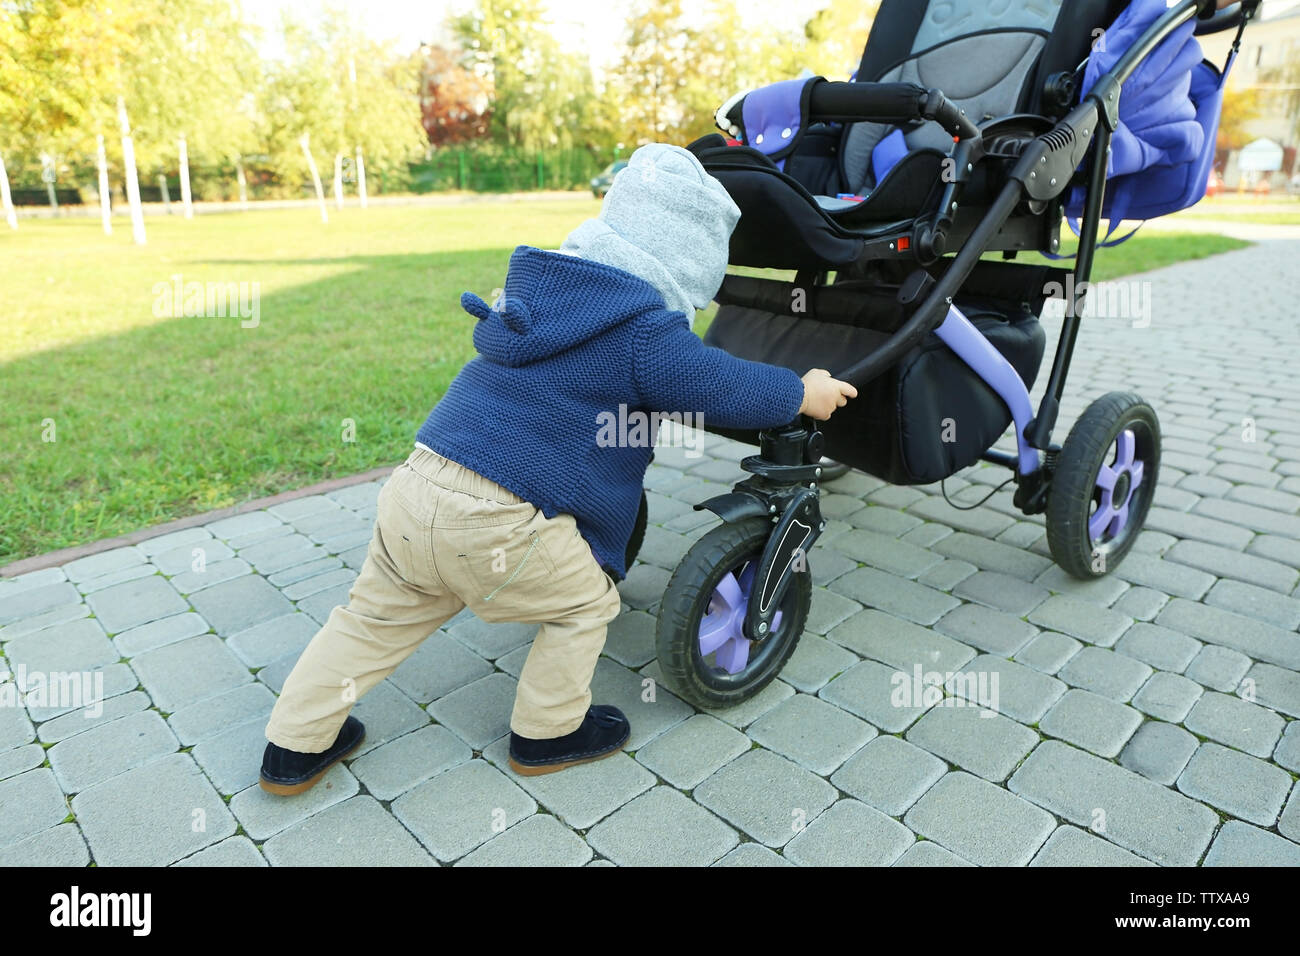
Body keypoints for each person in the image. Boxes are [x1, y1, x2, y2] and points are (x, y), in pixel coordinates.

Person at [258, 143, 857, 794]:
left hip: (416, 484)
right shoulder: (642, 329)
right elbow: (718, 383)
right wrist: (800, 392)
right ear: (689, 266)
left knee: (370, 620)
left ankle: (293, 746)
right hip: (499, 520)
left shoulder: (538, 302)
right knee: (584, 606)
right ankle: (548, 733)